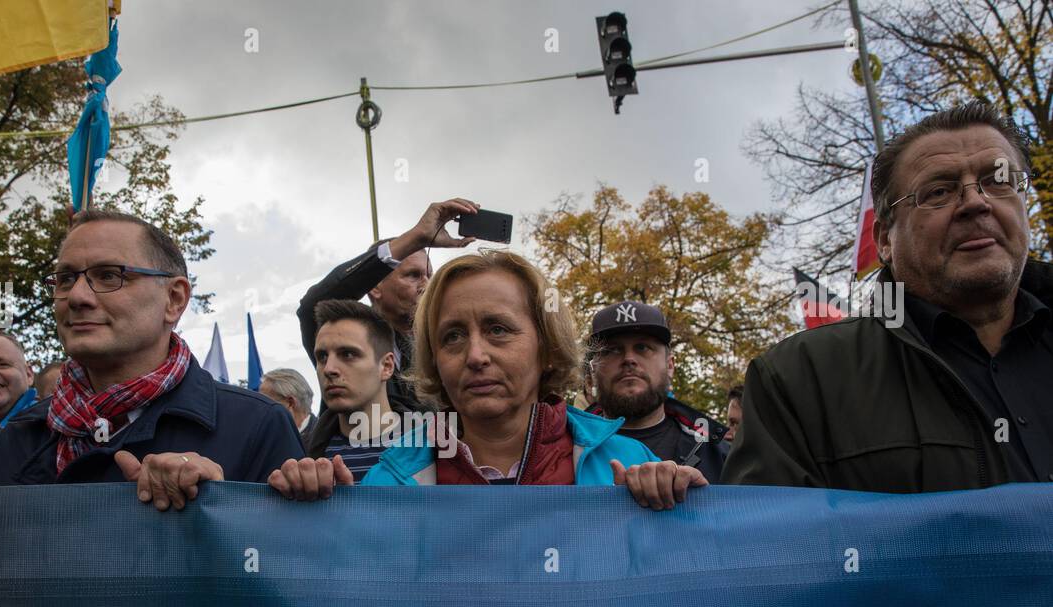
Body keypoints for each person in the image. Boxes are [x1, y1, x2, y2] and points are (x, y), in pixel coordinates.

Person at [724, 101, 1052, 492]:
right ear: (883, 240)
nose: (976, 202)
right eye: (939, 191)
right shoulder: (797, 380)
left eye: (998, 180)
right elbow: (773, 545)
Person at [269, 250, 707, 508]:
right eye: (453, 336)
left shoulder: (629, 463)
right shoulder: (388, 482)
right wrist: (334, 524)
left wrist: (690, 510)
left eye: (498, 329)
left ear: (546, 344)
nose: (475, 356)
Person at [0, 209, 304, 507]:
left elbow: (286, 562)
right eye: (66, 279)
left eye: (109, 275)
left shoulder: (257, 426)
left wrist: (217, 505)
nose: (77, 296)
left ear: (174, 299)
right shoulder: (21, 436)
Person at [296, 199, 480, 407]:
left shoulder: (441, 347)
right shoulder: (341, 339)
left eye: (430, 275)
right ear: (374, 286)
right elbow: (313, 306)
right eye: (413, 275)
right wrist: (416, 237)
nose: (426, 285)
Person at [587, 301, 732, 482]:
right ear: (593, 370)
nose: (629, 359)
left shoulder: (717, 454)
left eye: (642, 347)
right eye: (613, 350)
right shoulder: (565, 449)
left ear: (670, 365)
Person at [299, 299, 420, 480]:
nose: (329, 368)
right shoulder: (303, 458)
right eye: (322, 356)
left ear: (387, 366)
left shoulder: (438, 446)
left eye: (348, 354)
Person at [258, 368, 317, 446]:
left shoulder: (324, 440)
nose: (259, 408)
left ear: (290, 403)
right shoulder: (266, 439)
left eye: (265, 402)